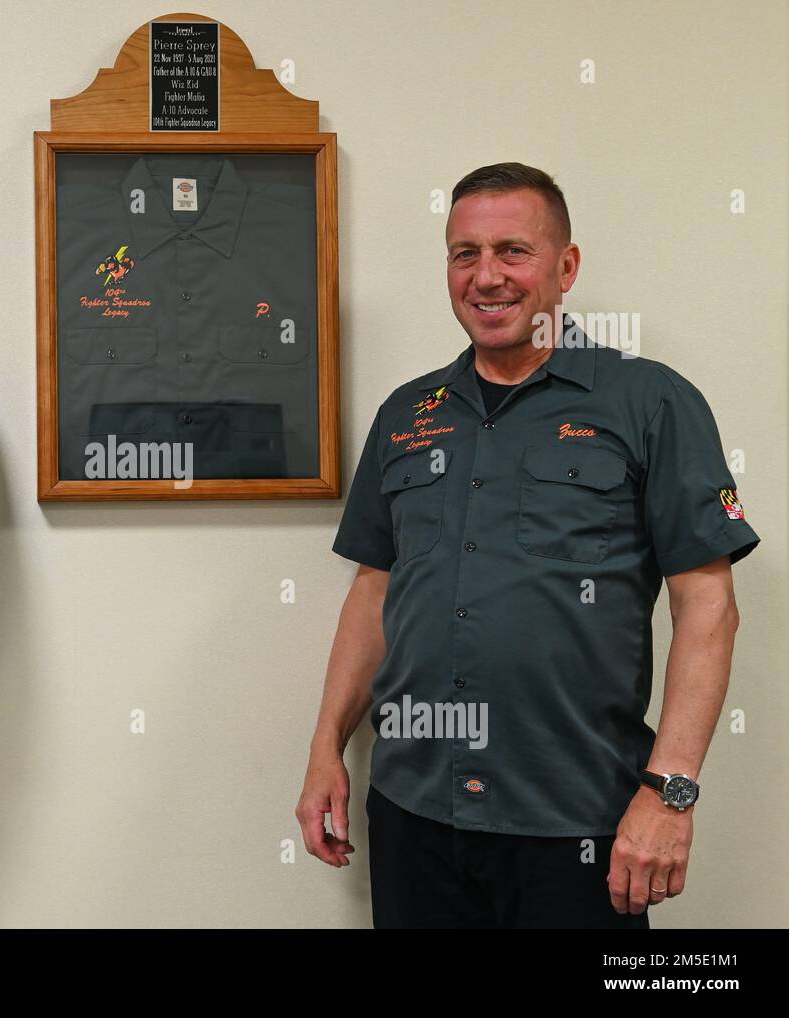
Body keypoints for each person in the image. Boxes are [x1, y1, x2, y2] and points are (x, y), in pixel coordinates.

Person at [296, 162, 758, 929]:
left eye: (513, 250)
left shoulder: (649, 401)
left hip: (577, 822)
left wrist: (670, 792)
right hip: (415, 811)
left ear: (566, 266)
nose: (486, 277)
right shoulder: (408, 413)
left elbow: (708, 606)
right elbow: (375, 592)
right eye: (464, 253)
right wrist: (325, 749)